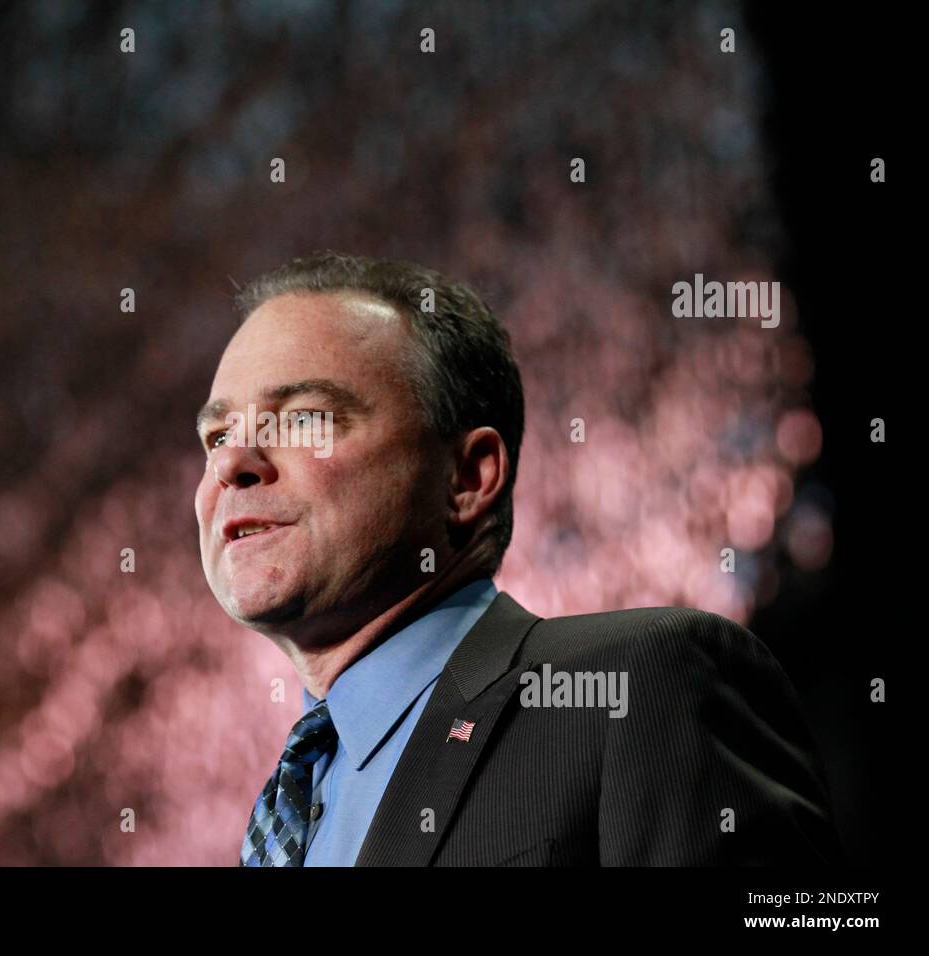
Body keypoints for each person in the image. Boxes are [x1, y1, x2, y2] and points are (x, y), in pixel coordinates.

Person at [193, 250, 843, 867]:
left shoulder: (638, 689)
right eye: (218, 436)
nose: (231, 463)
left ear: (468, 477)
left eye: (305, 420)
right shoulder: (292, 803)